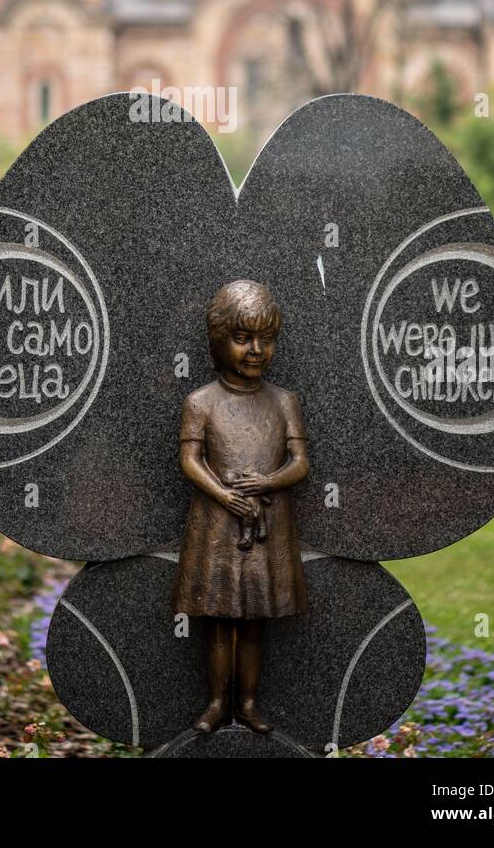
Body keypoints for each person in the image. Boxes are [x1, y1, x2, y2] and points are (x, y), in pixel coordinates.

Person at [173, 280, 309, 735]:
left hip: (268, 522)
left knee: (255, 620)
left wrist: (268, 481)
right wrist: (225, 495)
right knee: (217, 617)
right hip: (216, 522)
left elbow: (300, 463)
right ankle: (216, 703)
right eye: (242, 338)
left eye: (266, 340)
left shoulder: (284, 401)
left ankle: (248, 703)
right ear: (218, 340)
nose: (255, 350)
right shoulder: (200, 402)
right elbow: (190, 462)